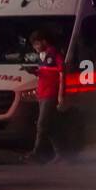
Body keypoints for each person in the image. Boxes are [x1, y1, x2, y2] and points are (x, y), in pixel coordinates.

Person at [24, 29, 68, 163]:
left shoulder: (55, 55)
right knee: (50, 125)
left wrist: (61, 95)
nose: (35, 47)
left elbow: (62, 74)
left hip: (50, 94)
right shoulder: (42, 56)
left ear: (44, 41)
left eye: (36, 44)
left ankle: (37, 153)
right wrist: (35, 72)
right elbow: (45, 72)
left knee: (42, 124)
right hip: (42, 94)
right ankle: (61, 153)